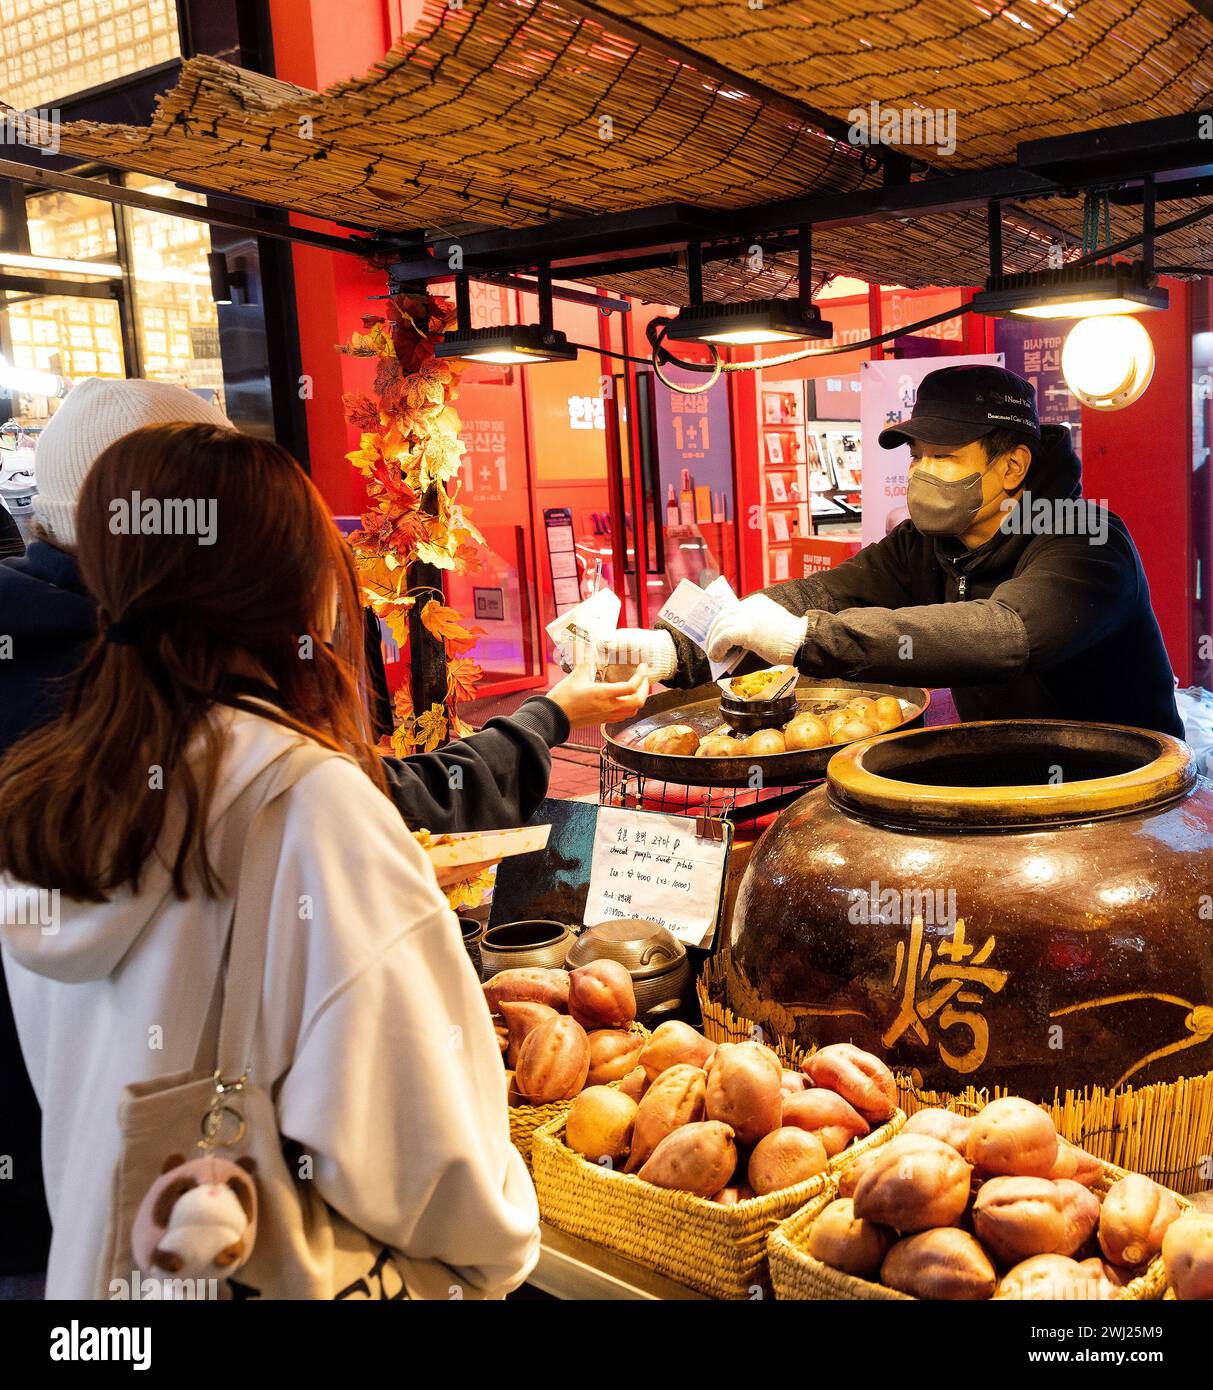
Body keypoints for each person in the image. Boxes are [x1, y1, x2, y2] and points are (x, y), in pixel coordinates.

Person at [0, 421, 547, 1300]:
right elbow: (435, 1169)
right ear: (299, 593)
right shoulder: (303, 807)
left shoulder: (49, 797)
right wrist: (503, 1241)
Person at [600, 366, 1183, 738]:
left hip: (1125, 784)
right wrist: (676, 651)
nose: (924, 472)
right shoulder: (924, 544)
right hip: (1010, 777)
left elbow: (1006, 636)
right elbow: (823, 592)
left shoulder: (1087, 538)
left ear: (1012, 467)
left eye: (946, 456)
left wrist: (806, 640)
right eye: (918, 455)